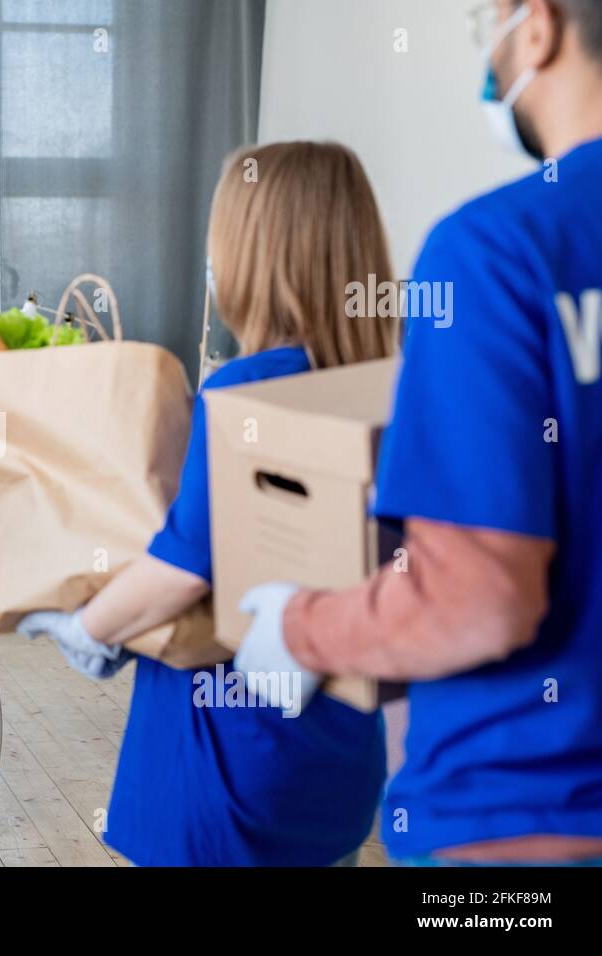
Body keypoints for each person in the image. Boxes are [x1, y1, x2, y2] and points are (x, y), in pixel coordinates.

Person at [237, 0, 602, 865]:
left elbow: (477, 599)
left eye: (491, 19)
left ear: (539, 27)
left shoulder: (498, 252)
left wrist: (298, 630)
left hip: (526, 819)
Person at [20, 142, 396, 866]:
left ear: (256, 253)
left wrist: (86, 628)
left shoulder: (248, 388)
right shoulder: (384, 387)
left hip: (228, 765)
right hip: (338, 757)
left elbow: (187, 565)